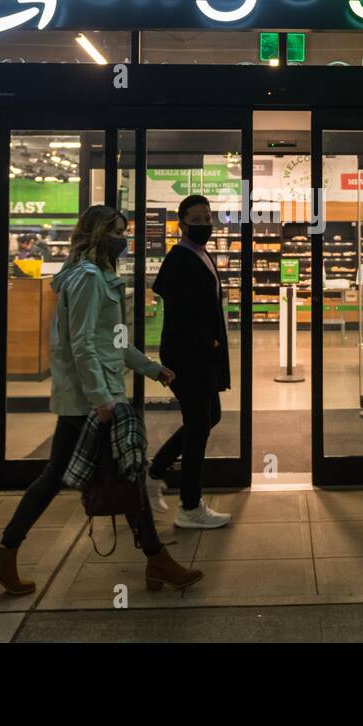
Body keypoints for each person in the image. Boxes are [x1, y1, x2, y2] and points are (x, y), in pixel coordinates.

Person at [0, 204, 201, 595]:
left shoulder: (97, 276)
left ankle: (5, 554)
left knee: (65, 477)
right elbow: (82, 344)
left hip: (91, 395)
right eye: (118, 231)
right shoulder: (87, 279)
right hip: (92, 399)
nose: (124, 239)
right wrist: (101, 398)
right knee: (123, 473)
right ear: (99, 234)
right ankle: (157, 559)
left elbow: (111, 340)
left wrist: (151, 369)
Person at [145, 194, 232, 529]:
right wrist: (206, 339)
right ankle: (190, 506)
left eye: (207, 218)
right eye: (195, 220)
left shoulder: (198, 252)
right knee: (199, 424)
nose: (203, 225)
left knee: (210, 416)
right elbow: (179, 307)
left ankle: (153, 474)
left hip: (200, 353)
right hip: (188, 354)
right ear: (181, 224)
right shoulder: (180, 258)